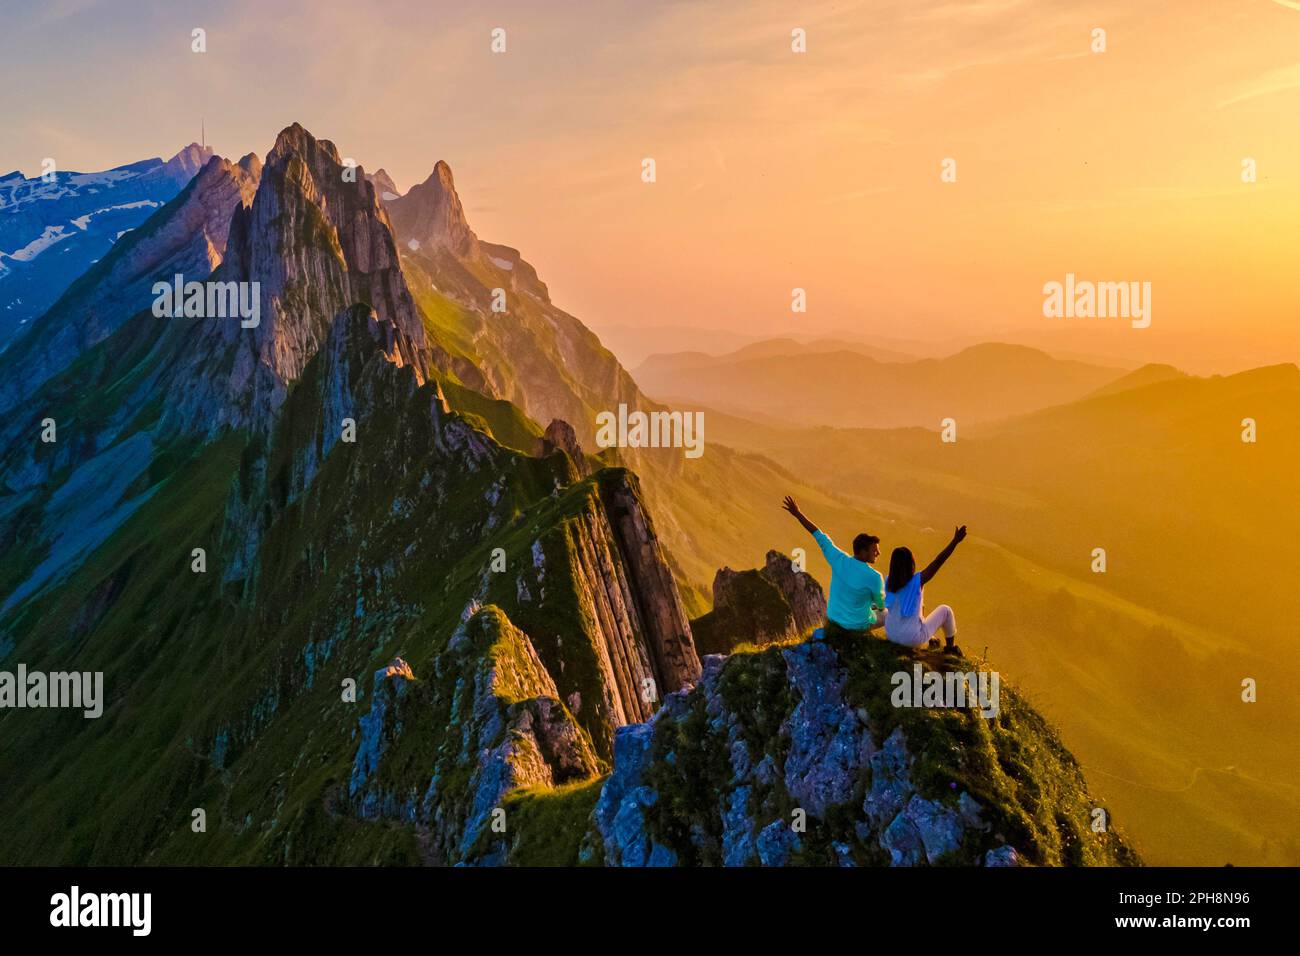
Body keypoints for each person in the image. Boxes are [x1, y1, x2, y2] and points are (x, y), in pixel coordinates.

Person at [781, 496, 884, 638]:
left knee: (865, 599)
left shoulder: (838, 559)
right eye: (874, 550)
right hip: (857, 626)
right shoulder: (874, 576)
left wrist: (798, 513)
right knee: (887, 612)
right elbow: (880, 605)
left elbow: (818, 535)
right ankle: (896, 645)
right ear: (862, 551)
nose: (878, 553)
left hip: (835, 620)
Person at [883, 526, 967, 655]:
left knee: (919, 603)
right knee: (946, 610)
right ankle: (951, 648)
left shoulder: (888, 581)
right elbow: (938, 561)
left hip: (891, 634)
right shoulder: (917, 581)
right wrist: (955, 541)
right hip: (911, 639)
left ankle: (930, 639)